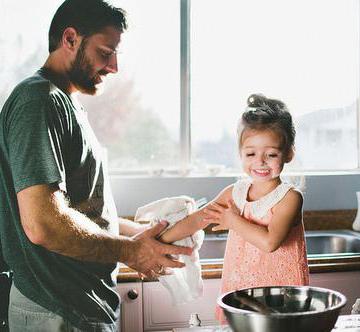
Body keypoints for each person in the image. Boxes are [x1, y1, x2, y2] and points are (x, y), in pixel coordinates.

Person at [0, 1, 193, 331]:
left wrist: (148, 236)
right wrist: (131, 252)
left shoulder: (65, 103)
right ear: (71, 38)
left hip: (79, 308)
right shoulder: (38, 101)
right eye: (106, 52)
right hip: (58, 310)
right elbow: (44, 223)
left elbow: (84, 212)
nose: (114, 67)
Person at [202, 93, 310, 321]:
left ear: (288, 153)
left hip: (281, 298)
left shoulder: (290, 198)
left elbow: (270, 242)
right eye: (250, 153)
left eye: (271, 154)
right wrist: (156, 240)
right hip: (240, 293)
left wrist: (233, 221)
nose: (260, 161)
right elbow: (199, 218)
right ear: (240, 154)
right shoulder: (235, 193)